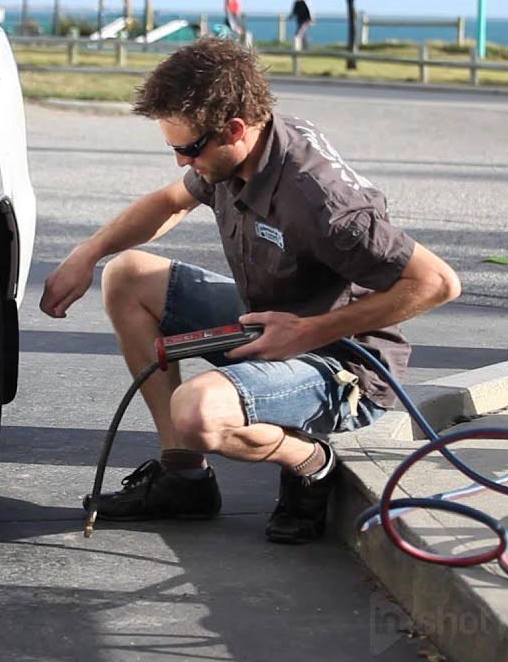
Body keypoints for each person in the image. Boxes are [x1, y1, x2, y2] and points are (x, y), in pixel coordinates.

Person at [39, 38, 461, 544]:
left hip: (339, 365)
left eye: (187, 149)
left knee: (195, 411)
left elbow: (437, 282)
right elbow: (169, 202)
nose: (179, 162)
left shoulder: (323, 201)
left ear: (235, 129)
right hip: (272, 320)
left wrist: (309, 333)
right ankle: (183, 480)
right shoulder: (240, 154)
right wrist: (89, 252)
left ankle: (312, 463)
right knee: (127, 274)